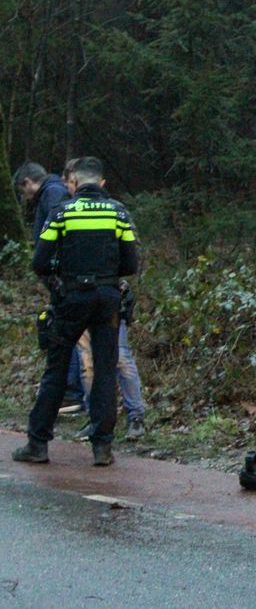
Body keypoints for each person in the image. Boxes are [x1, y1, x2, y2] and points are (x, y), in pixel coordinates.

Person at [12, 157, 139, 466]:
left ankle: (38, 443)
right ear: (102, 182)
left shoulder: (62, 213)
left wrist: (63, 272)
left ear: (75, 182)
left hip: (71, 298)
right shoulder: (118, 213)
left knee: (56, 370)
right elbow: (131, 265)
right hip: (108, 298)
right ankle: (102, 447)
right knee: (106, 369)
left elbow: (39, 262)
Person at [60, 158, 148, 441]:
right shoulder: (67, 211)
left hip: (111, 294)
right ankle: (95, 418)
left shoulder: (116, 211)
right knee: (86, 362)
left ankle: (136, 416)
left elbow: (133, 252)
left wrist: (117, 279)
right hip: (79, 294)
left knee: (119, 357)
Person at [11, 162, 85, 415]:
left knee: (65, 334)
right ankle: (70, 392)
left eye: (24, 191)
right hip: (64, 278)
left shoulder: (52, 194)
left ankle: (71, 393)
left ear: (28, 183)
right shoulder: (53, 192)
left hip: (64, 280)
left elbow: (58, 235)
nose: (25, 196)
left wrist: (50, 268)